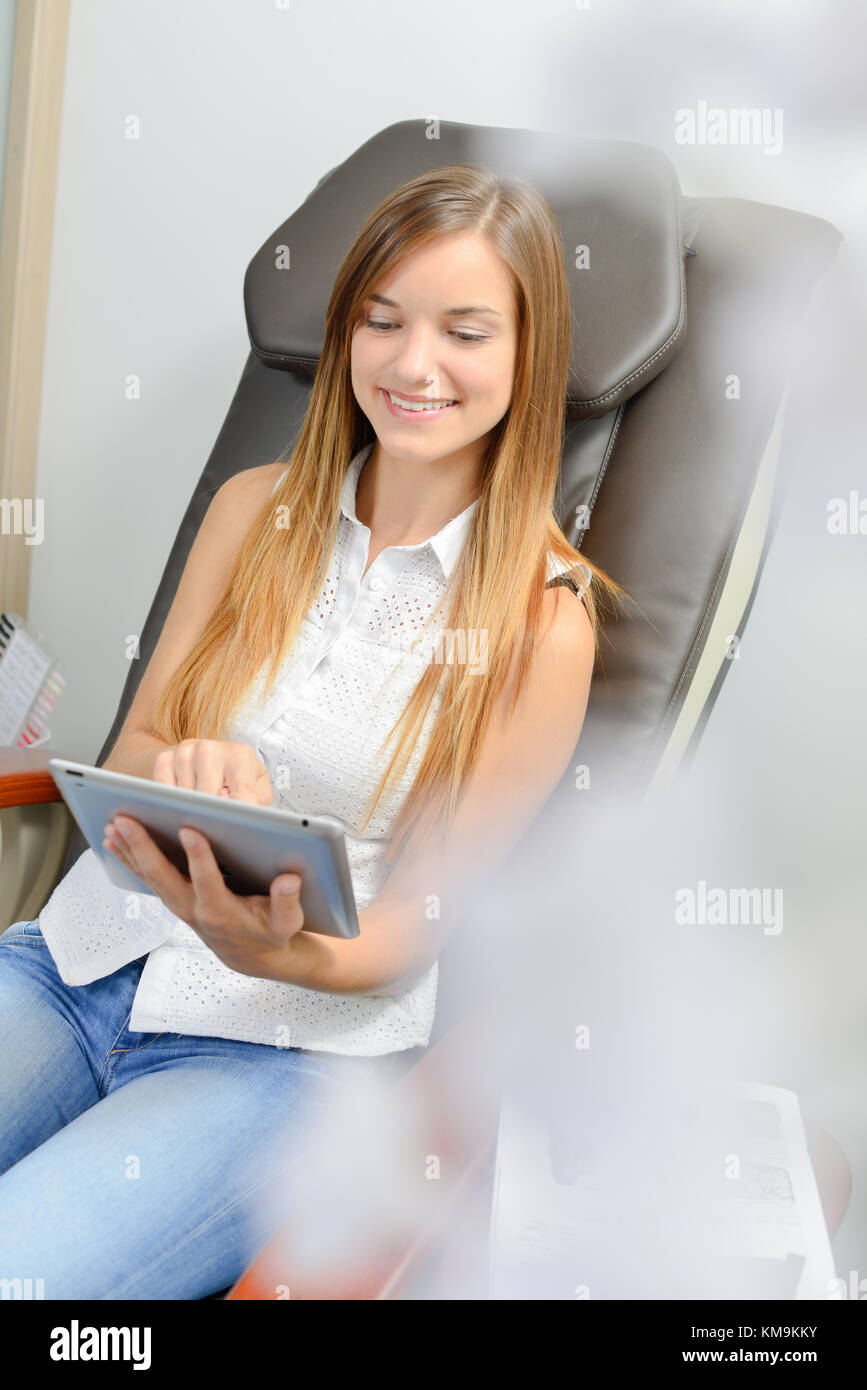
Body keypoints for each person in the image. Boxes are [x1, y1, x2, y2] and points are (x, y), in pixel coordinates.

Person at [0, 163, 626, 1299]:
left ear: (529, 359)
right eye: (381, 320)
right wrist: (183, 766)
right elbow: (134, 750)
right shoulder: (258, 508)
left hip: (275, 1052)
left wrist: (270, 948)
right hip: (78, 961)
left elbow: (408, 929)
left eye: (465, 331)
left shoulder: (544, 624)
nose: (412, 363)